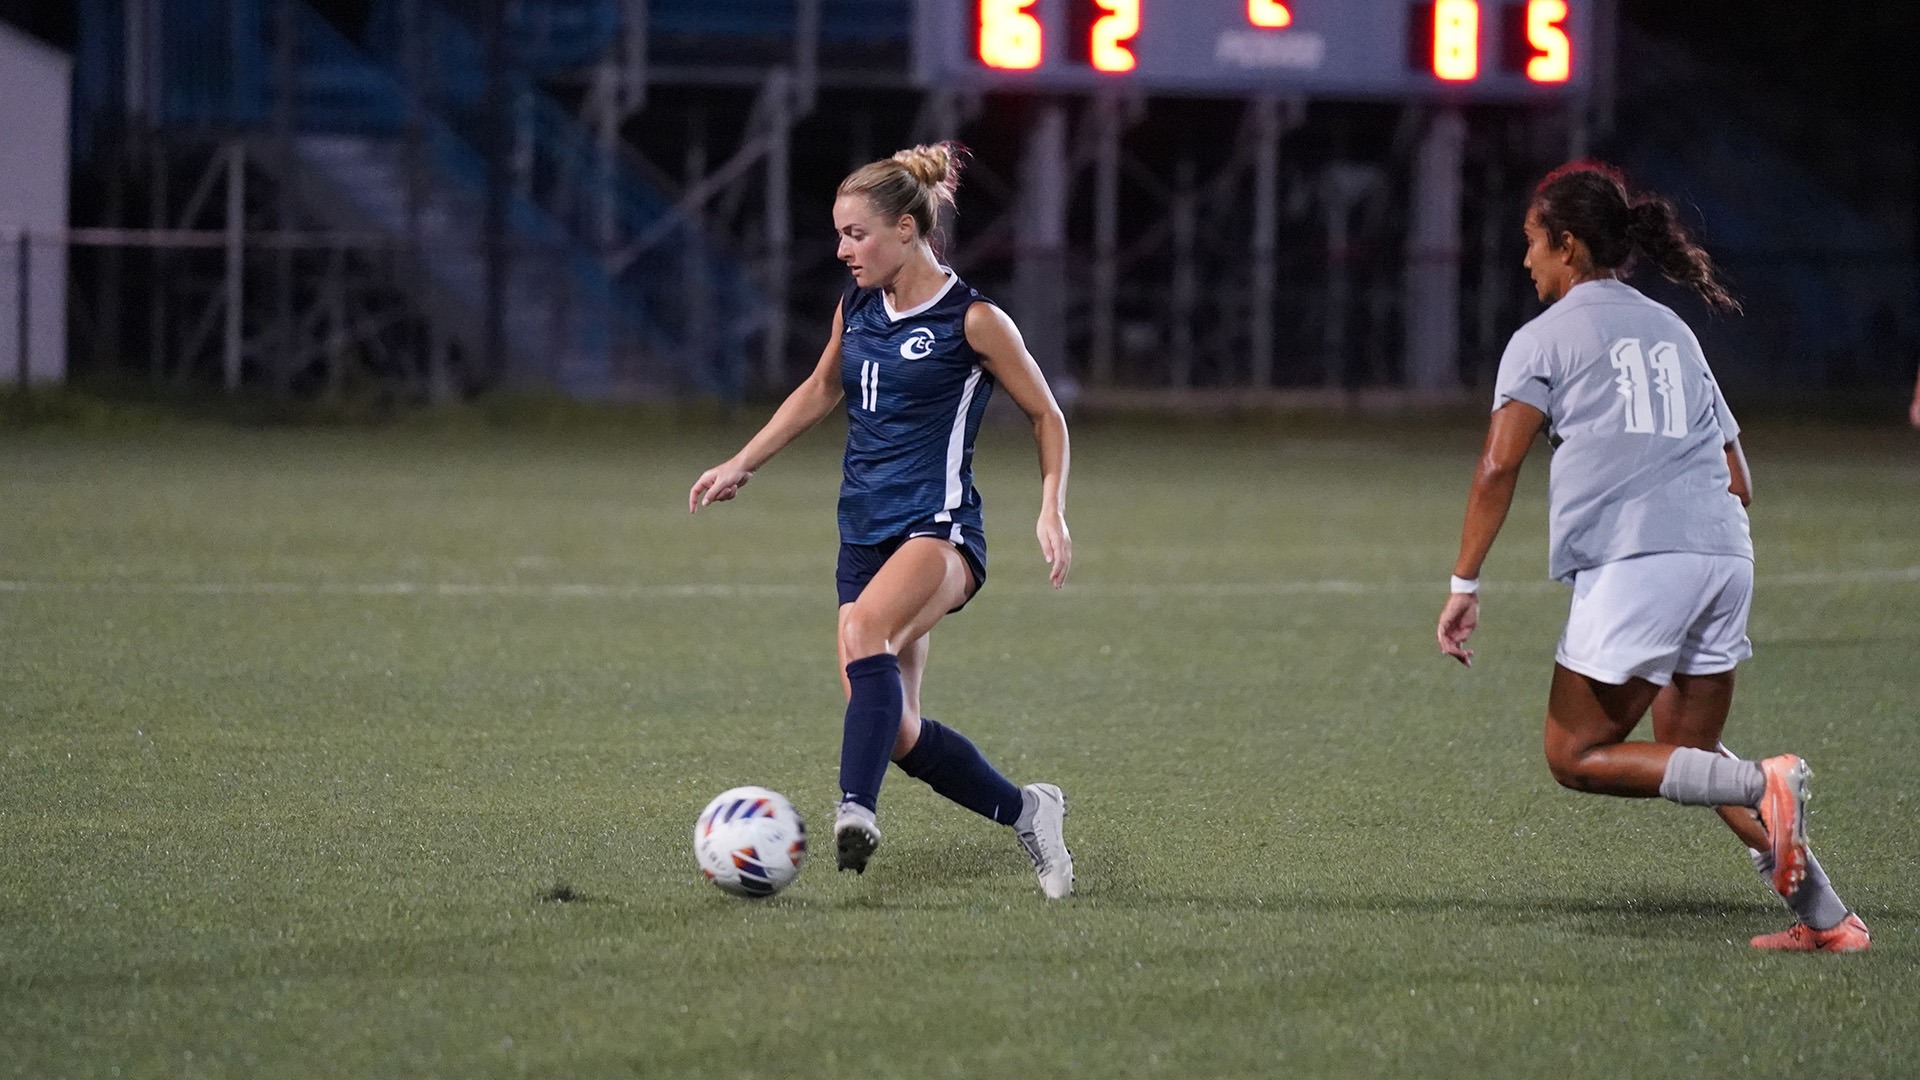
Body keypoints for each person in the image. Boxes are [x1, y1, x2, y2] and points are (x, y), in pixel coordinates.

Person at [1435, 161, 1869, 952]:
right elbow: (1740, 477)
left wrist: (1465, 582)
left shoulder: (1543, 339)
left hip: (1642, 563)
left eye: (1532, 243)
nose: (1525, 260)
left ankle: (1762, 782)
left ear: (1567, 245)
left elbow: (1498, 465)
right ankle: (1829, 921)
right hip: (1724, 554)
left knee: (1575, 755)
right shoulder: (1675, 331)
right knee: (1687, 753)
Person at [689, 143, 1075, 899]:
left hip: (939, 530)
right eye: (838, 234)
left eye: (855, 234)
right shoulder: (858, 305)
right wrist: (744, 461)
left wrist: (1050, 507)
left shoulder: (975, 319)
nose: (842, 250)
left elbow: (1047, 414)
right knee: (895, 730)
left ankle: (854, 811)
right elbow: (819, 388)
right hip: (860, 535)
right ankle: (1028, 810)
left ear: (907, 230)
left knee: (865, 634)